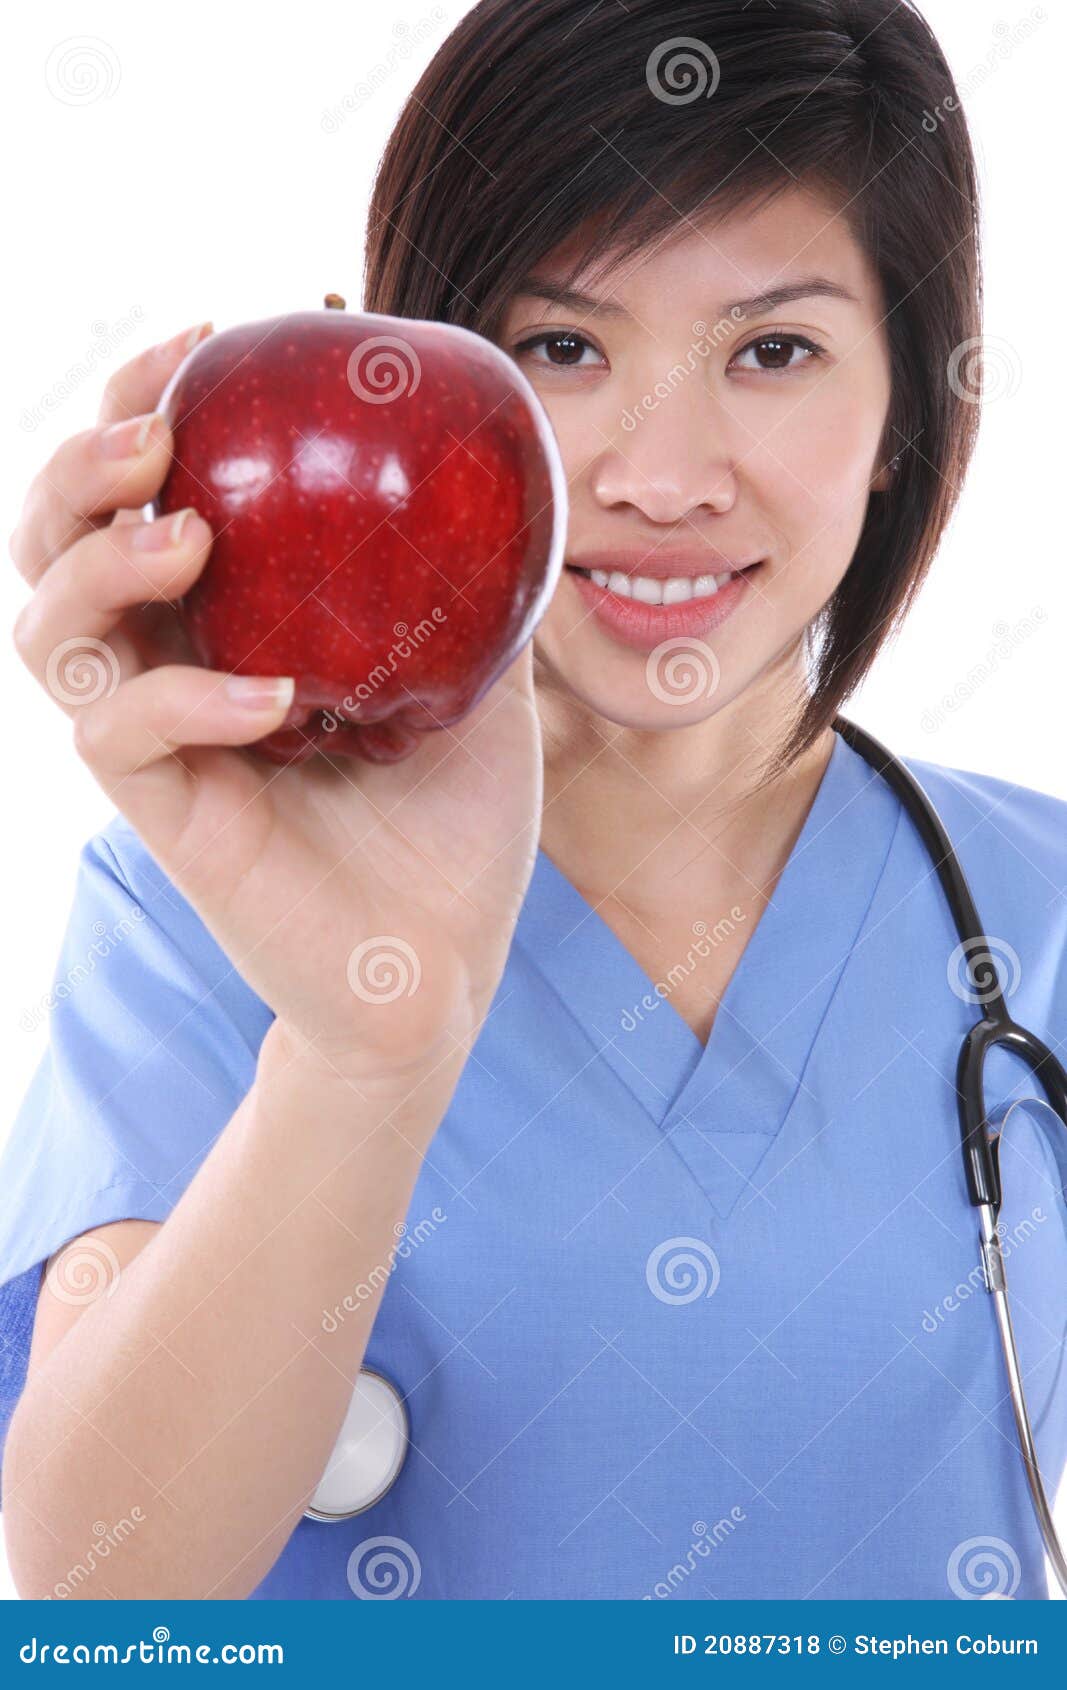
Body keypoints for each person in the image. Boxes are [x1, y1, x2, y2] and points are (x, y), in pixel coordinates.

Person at [2, 0, 1065, 1602]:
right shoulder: (207, 899)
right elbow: (100, 1595)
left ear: (909, 400)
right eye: (562, 348)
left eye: (773, 350)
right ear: (423, 390)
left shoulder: (1037, 912)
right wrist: (367, 1055)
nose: (663, 471)